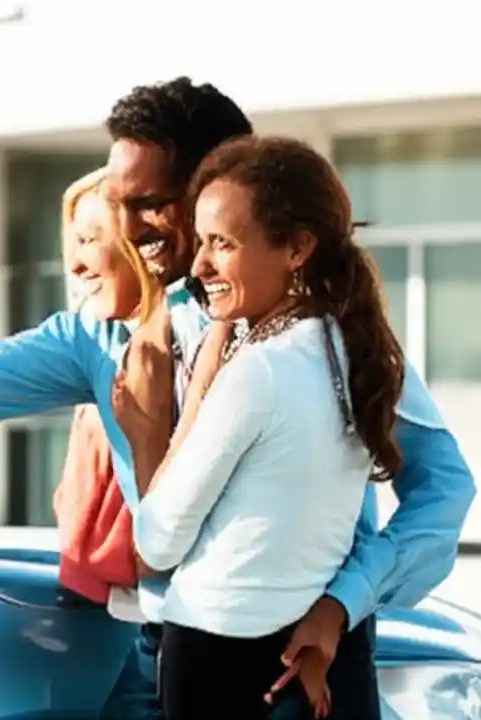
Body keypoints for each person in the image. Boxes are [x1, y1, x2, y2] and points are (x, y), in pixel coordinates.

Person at [0, 77, 476, 718]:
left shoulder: (326, 339)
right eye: (118, 200)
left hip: (307, 660)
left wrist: (345, 599)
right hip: (168, 657)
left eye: (149, 202)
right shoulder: (104, 339)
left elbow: (442, 486)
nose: (128, 224)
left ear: (216, 189)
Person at [113, 135, 401, 718]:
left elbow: (156, 546)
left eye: (222, 243)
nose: (197, 266)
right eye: (200, 241)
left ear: (297, 248)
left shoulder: (258, 371)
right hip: (299, 653)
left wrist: (182, 406)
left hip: (213, 665)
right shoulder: (354, 350)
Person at [51, 166, 157, 610]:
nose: (76, 264)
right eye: (72, 243)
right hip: (111, 608)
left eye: (90, 240)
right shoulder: (95, 343)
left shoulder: (206, 348)